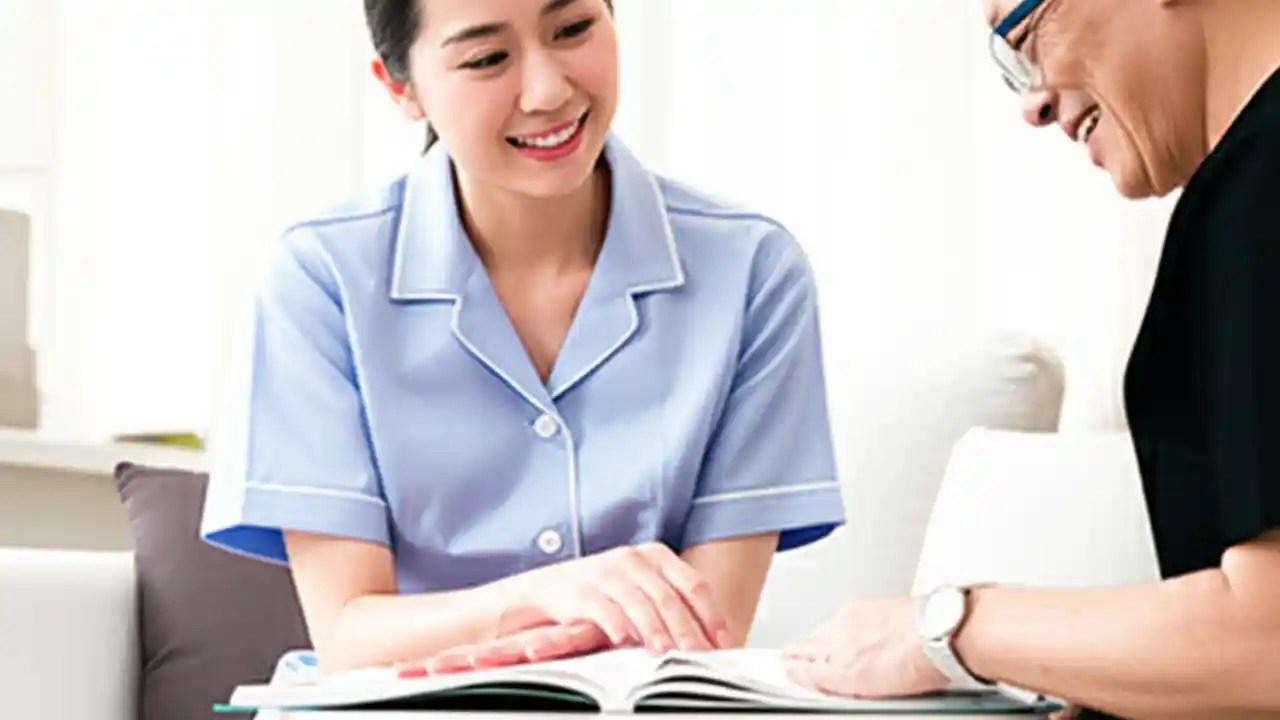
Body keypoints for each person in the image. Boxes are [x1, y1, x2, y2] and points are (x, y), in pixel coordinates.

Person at [199, 0, 845, 675]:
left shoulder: (751, 271)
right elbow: (351, 637)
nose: (548, 91)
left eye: (573, 30)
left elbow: (706, 630)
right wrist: (547, 596)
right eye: (486, 59)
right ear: (401, 87)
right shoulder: (321, 278)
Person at [780, 1, 1280, 718]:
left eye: (1024, 34)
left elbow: (1267, 644)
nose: (1035, 103)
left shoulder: (1259, 198)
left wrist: (948, 628)